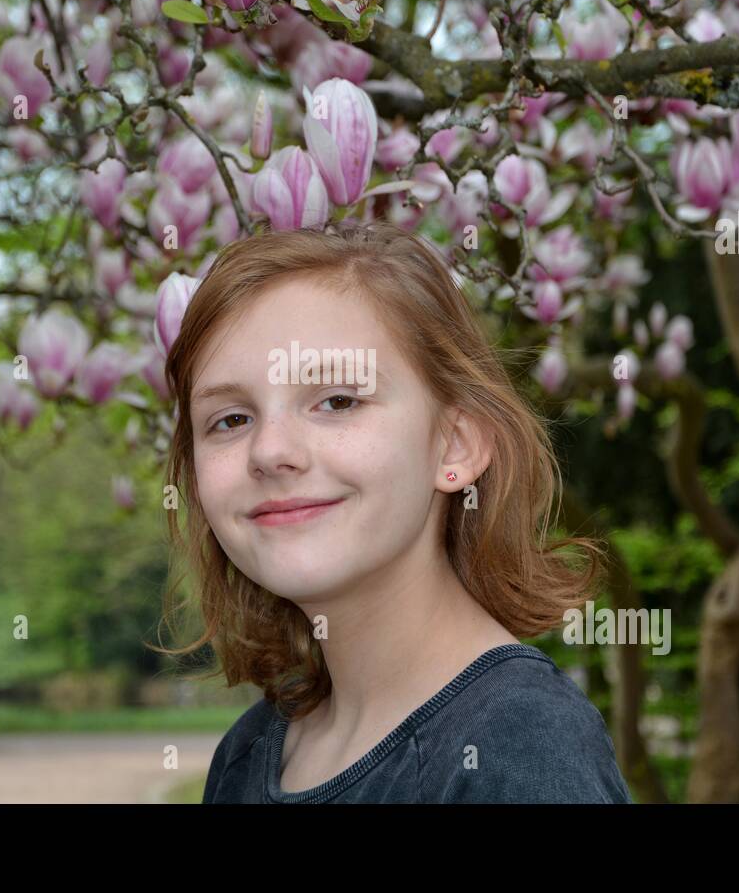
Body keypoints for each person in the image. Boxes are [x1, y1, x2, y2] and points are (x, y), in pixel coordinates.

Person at [153, 222, 633, 804]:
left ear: (453, 446)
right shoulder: (249, 754)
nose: (270, 451)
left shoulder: (517, 746)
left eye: (337, 401)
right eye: (231, 419)